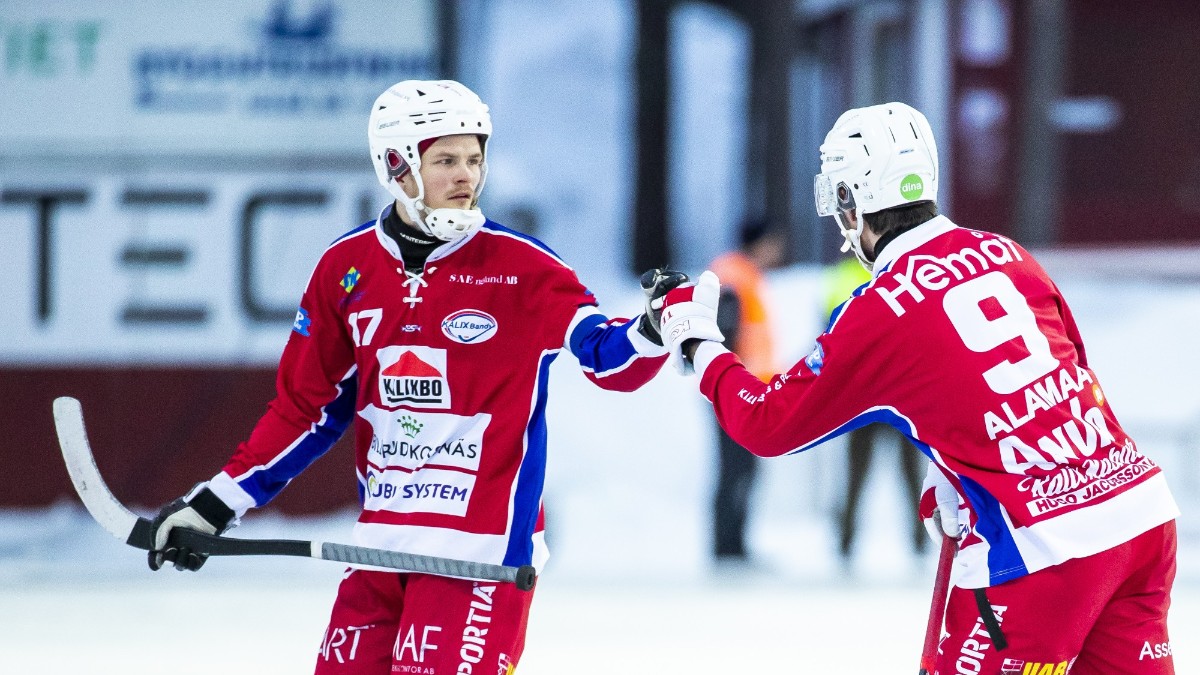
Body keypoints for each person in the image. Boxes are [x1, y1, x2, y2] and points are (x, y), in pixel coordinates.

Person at [144, 79, 686, 675]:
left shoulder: (524, 267)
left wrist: (653, 328)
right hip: (377, 553)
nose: (467, 177)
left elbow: (607, 356)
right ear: (398, 166)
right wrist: (215, 505)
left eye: (475, 159)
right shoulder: (344, 269)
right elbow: (307, 412)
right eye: (446, 160)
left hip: (478, 561)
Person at [656, 102, 1179, 674]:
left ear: (855, 200)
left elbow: (765, 423)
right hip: (1137, 515)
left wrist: (699, 345)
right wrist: (955, 462)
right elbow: (1069, 372)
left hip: (1040, 551)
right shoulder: (1009, 255)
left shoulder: (880, 308)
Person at [821, 256, 927, 562]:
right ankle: (918, 541)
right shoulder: (901, 274)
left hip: (862, 397)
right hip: (898, 396)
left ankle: (846, 541)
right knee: (909, 474)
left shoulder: (841, 278)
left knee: (857, 474)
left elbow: (829, 339)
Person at [707, 218, 784, 564]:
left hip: (744, 388)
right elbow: (727, 330)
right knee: (734, 468)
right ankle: (727, 545)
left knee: (741, 468)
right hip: (736, 390)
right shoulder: (734, 277)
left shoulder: (742, 274)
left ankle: (733, 541)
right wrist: (732, 380)